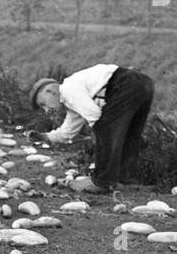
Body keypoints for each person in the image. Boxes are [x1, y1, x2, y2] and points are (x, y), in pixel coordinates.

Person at [28, 65, 154, 195]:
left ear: (50, 91)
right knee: (129, 134)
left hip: (124, 83)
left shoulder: (68, 89)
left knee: (104, 127)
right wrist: (44, 136)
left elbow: (95, 116)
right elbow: (67, 132)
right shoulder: (72, 98)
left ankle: (101, 182)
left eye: (43, 104)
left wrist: (100, 136)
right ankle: (126, 180)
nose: (47, 110)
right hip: (143, 84)